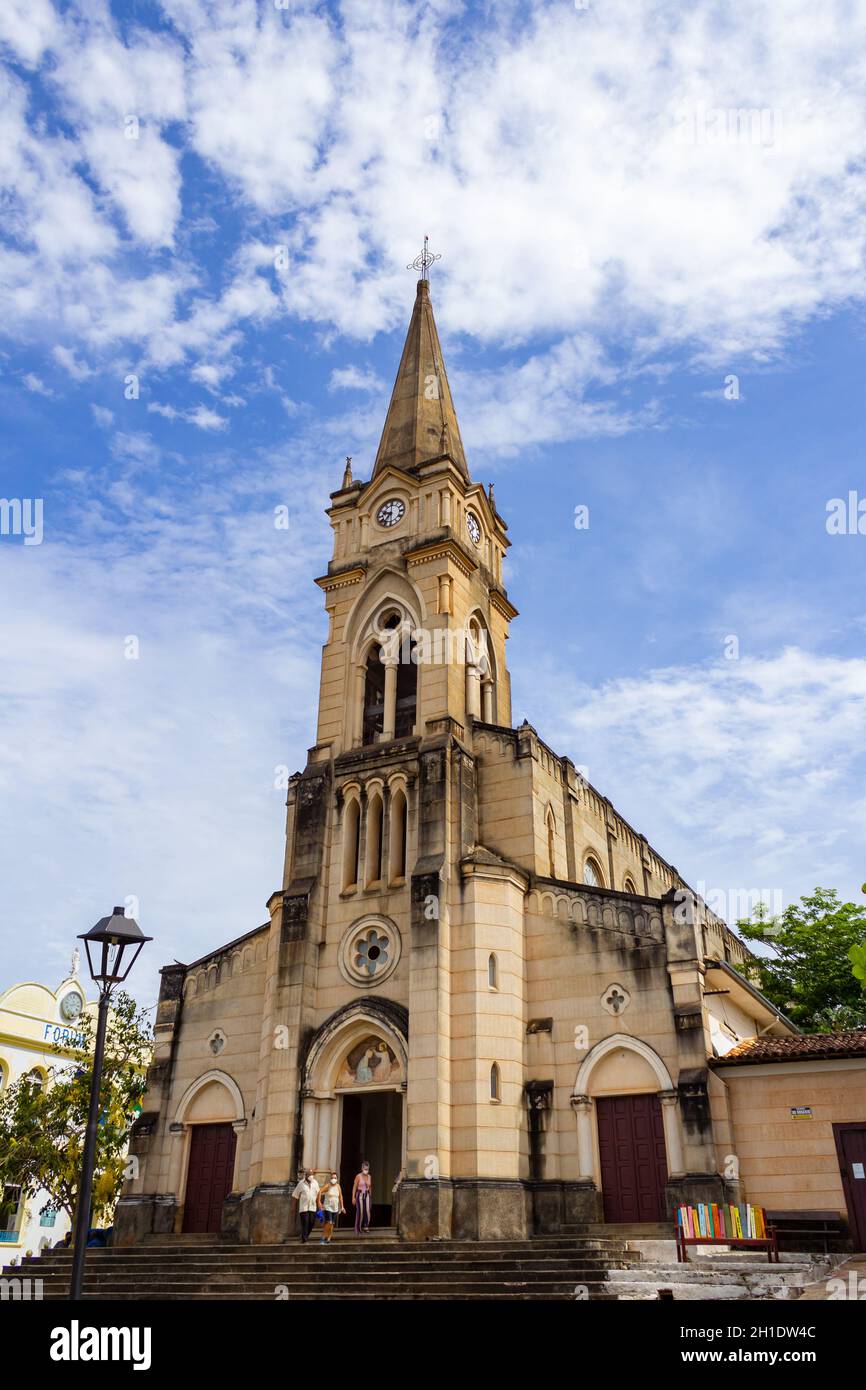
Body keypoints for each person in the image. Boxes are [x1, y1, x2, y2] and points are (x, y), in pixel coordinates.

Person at [291, 1168, 320, 1244]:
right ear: (306, 1175)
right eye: (310, 1174)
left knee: (311, 1223)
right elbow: (295, 1195)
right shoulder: (301, 1183)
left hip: (313, 1207)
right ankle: (304, 1239)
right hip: (304, 1208)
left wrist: (319, 1204)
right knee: (305, 1222)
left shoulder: (315, 1183)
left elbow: (318, 1193)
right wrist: (293, 1207)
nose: (311, 1176)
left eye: (312, 1174)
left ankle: (304, 1236)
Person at [317, 1171, 345, 1244]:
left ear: (337, 1179)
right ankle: (323, 1237)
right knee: (329, 1222)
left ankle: (329, 1238)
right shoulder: (327, 1185)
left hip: (335, 1207)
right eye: (332, 1178)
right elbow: (320, 1191)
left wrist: (342, 1207)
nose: (333, 1179)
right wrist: (319, 1202)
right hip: (328, 1207)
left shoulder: (338, 1186)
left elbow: (340, 1196)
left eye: (335, 1178)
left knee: (332, 1223)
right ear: (330, 1179)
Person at [352, 1160, 372, 1234]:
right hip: (359, 1194)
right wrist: (353, 1197)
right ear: (362, 1168)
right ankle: (358, 1228)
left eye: (367, 1169)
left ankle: (366, 1226)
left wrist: (370, 1196)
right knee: (360, 1211)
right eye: (365, 1169)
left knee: (367, 1210)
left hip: (367, 1194)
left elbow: (370, 1187)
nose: (366, 1170)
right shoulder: (358, 1176)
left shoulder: (369, 1177)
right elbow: (354, 1187)